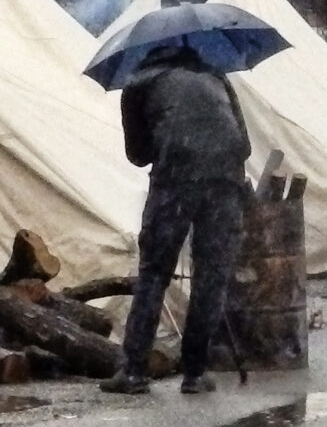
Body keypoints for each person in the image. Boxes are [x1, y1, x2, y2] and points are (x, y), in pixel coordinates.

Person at [106, 43, 253, 396]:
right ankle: (195, 373)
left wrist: (167, 136)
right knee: (211, 276)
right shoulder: (216, 76)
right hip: (225, 180)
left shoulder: (138, 84)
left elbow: (137, 155)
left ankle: (133, 371)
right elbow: (244, 145)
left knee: (154, 273)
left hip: (175, 181)